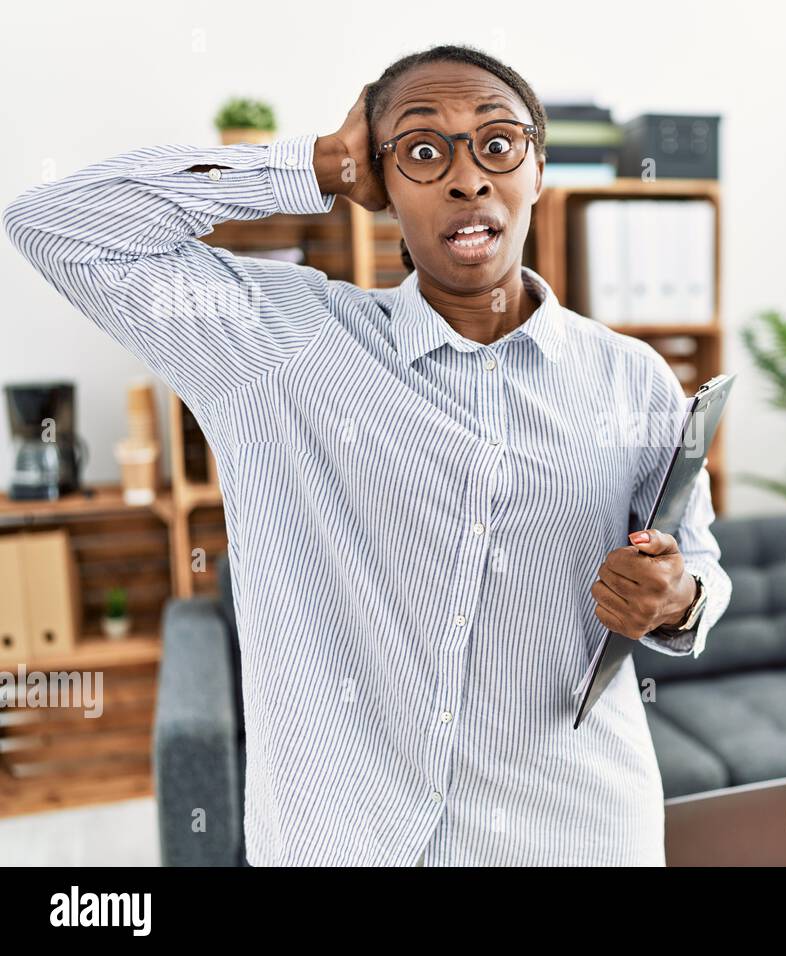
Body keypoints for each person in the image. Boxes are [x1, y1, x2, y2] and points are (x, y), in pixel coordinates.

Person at [3, 44, 731, 866]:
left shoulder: (633, 378)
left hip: (575, 834)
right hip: (344, 840)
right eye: (422, 151)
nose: (467, 178)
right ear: (379, 183)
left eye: (498, 144)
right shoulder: (279, 346)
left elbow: (698, 565)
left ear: (537, 170)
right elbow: (55, 226)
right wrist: (314, 164)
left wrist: (677, 598)